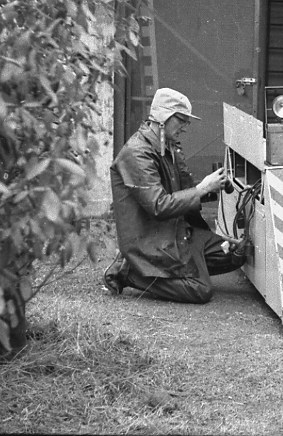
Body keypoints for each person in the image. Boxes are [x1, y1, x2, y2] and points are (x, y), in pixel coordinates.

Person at [103, 87, 246, 304]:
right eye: (181, 120)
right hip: (151, 238)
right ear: (163, 118)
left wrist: (211, 188)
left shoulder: (166, 147)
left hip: (177, 231)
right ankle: (130, 272)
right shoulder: (137, 153)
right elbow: (159, 205)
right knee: (201, 290)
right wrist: (202, 188)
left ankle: (177, 268)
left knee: (235, 255)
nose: (185, 127)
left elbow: (179, 193)